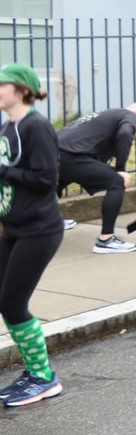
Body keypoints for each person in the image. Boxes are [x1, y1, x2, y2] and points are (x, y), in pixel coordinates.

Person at [0, 64, 66, 407]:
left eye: (2, 85)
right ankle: (33, 372)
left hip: (39, 230)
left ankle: (43, 377)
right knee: (4, 301)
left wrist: (2, 171)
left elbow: (45, 179)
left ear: (22, 90)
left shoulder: (35, 126)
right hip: (14, 228)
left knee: (13, 303)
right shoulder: (8, 126)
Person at [57, 102, 136, 254]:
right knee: (116, 181)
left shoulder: (108, 115)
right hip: (70, 156)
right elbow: (125, 134)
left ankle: (49, 220)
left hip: (53, 153)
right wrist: (120, 169)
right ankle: (106, 240)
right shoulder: (128, 116)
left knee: (57, 183)